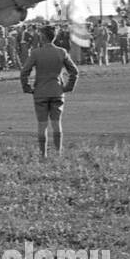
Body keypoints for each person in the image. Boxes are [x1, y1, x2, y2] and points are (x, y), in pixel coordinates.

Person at [20, 24, 80, 158]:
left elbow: (24, 72)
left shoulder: (36, 53)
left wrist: (27, 87)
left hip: (40, 92)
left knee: (42, 125)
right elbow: (74, 71)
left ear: (42, 37)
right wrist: (68, 87)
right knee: (56, 123)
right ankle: (58, 153)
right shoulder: (61, 52)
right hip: (57, 91)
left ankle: (43, 154)